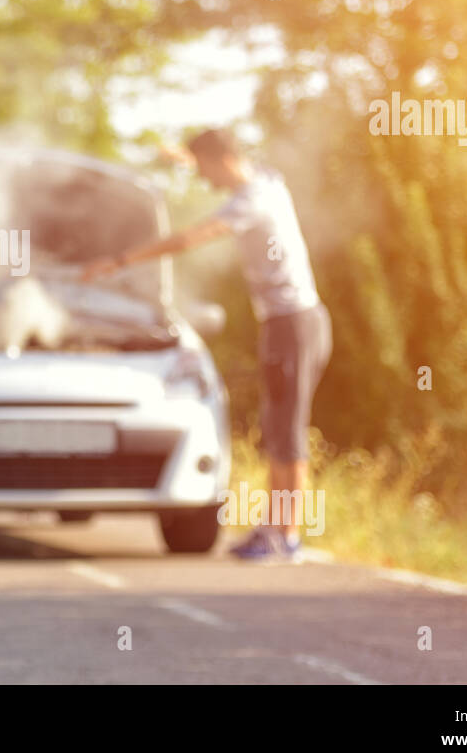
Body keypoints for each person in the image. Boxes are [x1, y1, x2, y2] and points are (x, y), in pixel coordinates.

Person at [83, 128, 330, 561]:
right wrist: (183, 156)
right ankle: (277, 529)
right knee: (277, 428)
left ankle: (284, 536)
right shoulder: (267, 179)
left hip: (292, 324)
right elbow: (227, 161)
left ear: (221, 160)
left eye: (202, 169)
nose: (201, 179)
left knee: (286, 432)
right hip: (294, 322)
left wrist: (119, 262)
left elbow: (188, 239)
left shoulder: (251, 200)